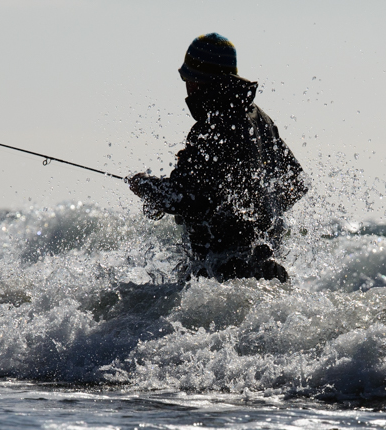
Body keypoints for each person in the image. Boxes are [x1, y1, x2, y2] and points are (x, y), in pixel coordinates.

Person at [128, 33, 308, 282]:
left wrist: (146, 187)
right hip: (265, 266)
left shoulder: (212, 127)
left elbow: (186, 197)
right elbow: (296, 183)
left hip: (222, 272)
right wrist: (263, 212)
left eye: (187, 78)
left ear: (200, 81)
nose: (187, 87)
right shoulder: (260, 119)